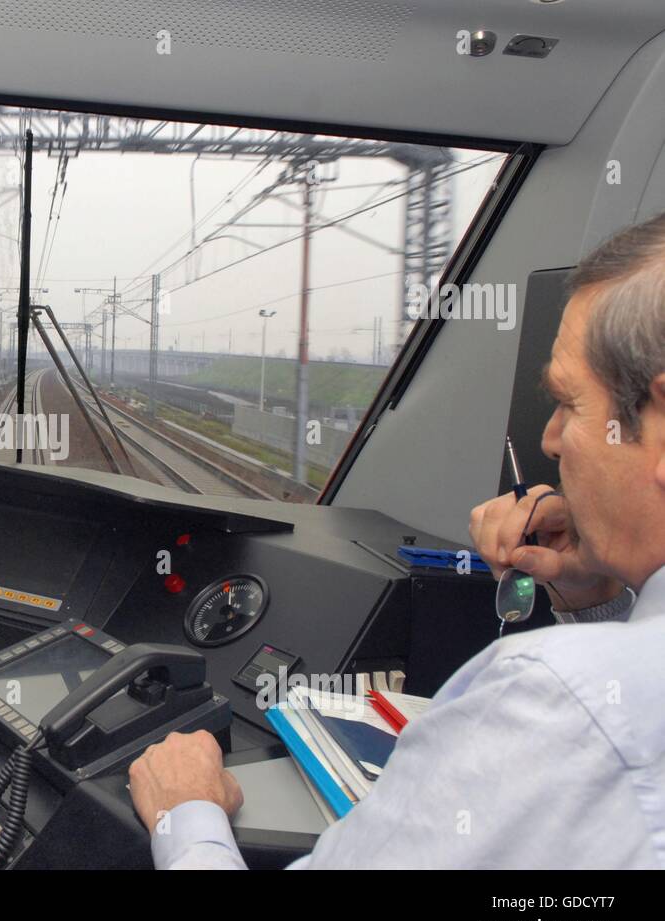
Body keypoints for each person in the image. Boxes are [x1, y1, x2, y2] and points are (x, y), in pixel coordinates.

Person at [129, 210, 665, 869]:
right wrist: (595, 600)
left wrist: (187, 814)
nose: (551, 439)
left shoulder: (560, 700)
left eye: (569, 403)